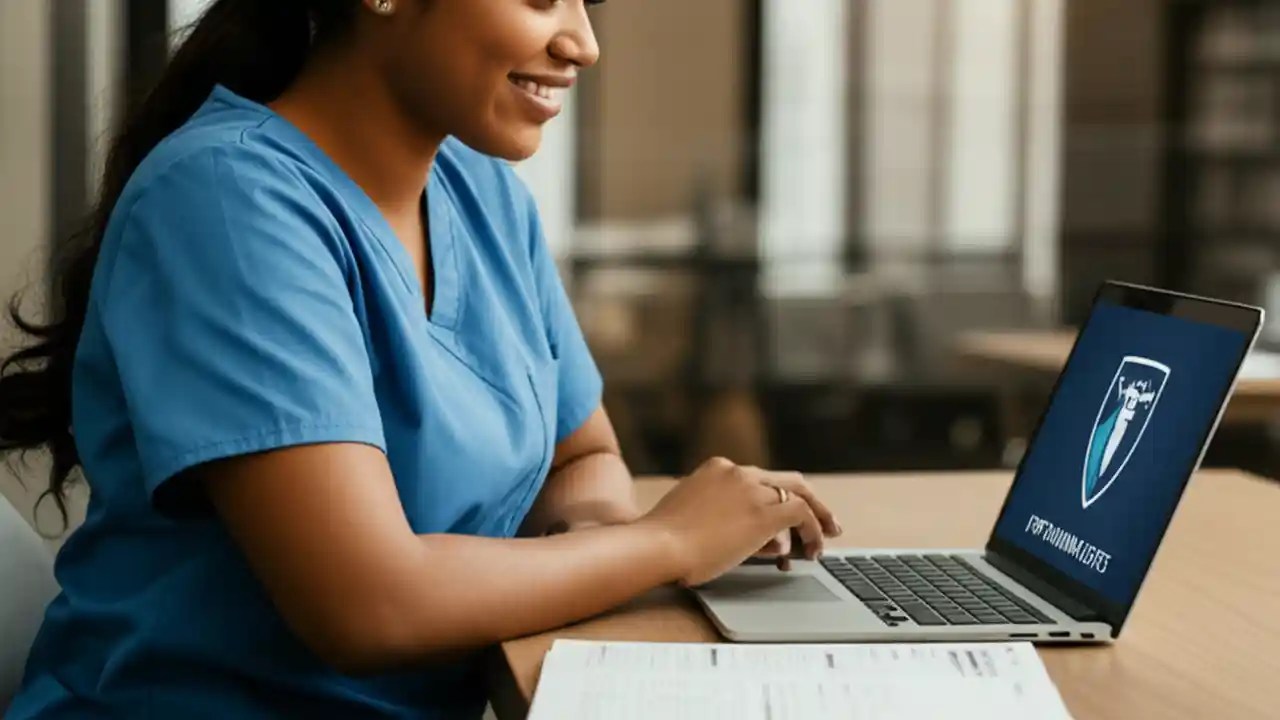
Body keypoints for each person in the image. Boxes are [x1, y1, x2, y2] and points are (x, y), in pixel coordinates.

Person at [0, 1, 840, 716]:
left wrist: (596, 546)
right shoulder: (227, 201)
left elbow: (582, 454)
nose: (583, 42)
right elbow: (367, 605)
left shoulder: (481, 192)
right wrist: (666, 545)